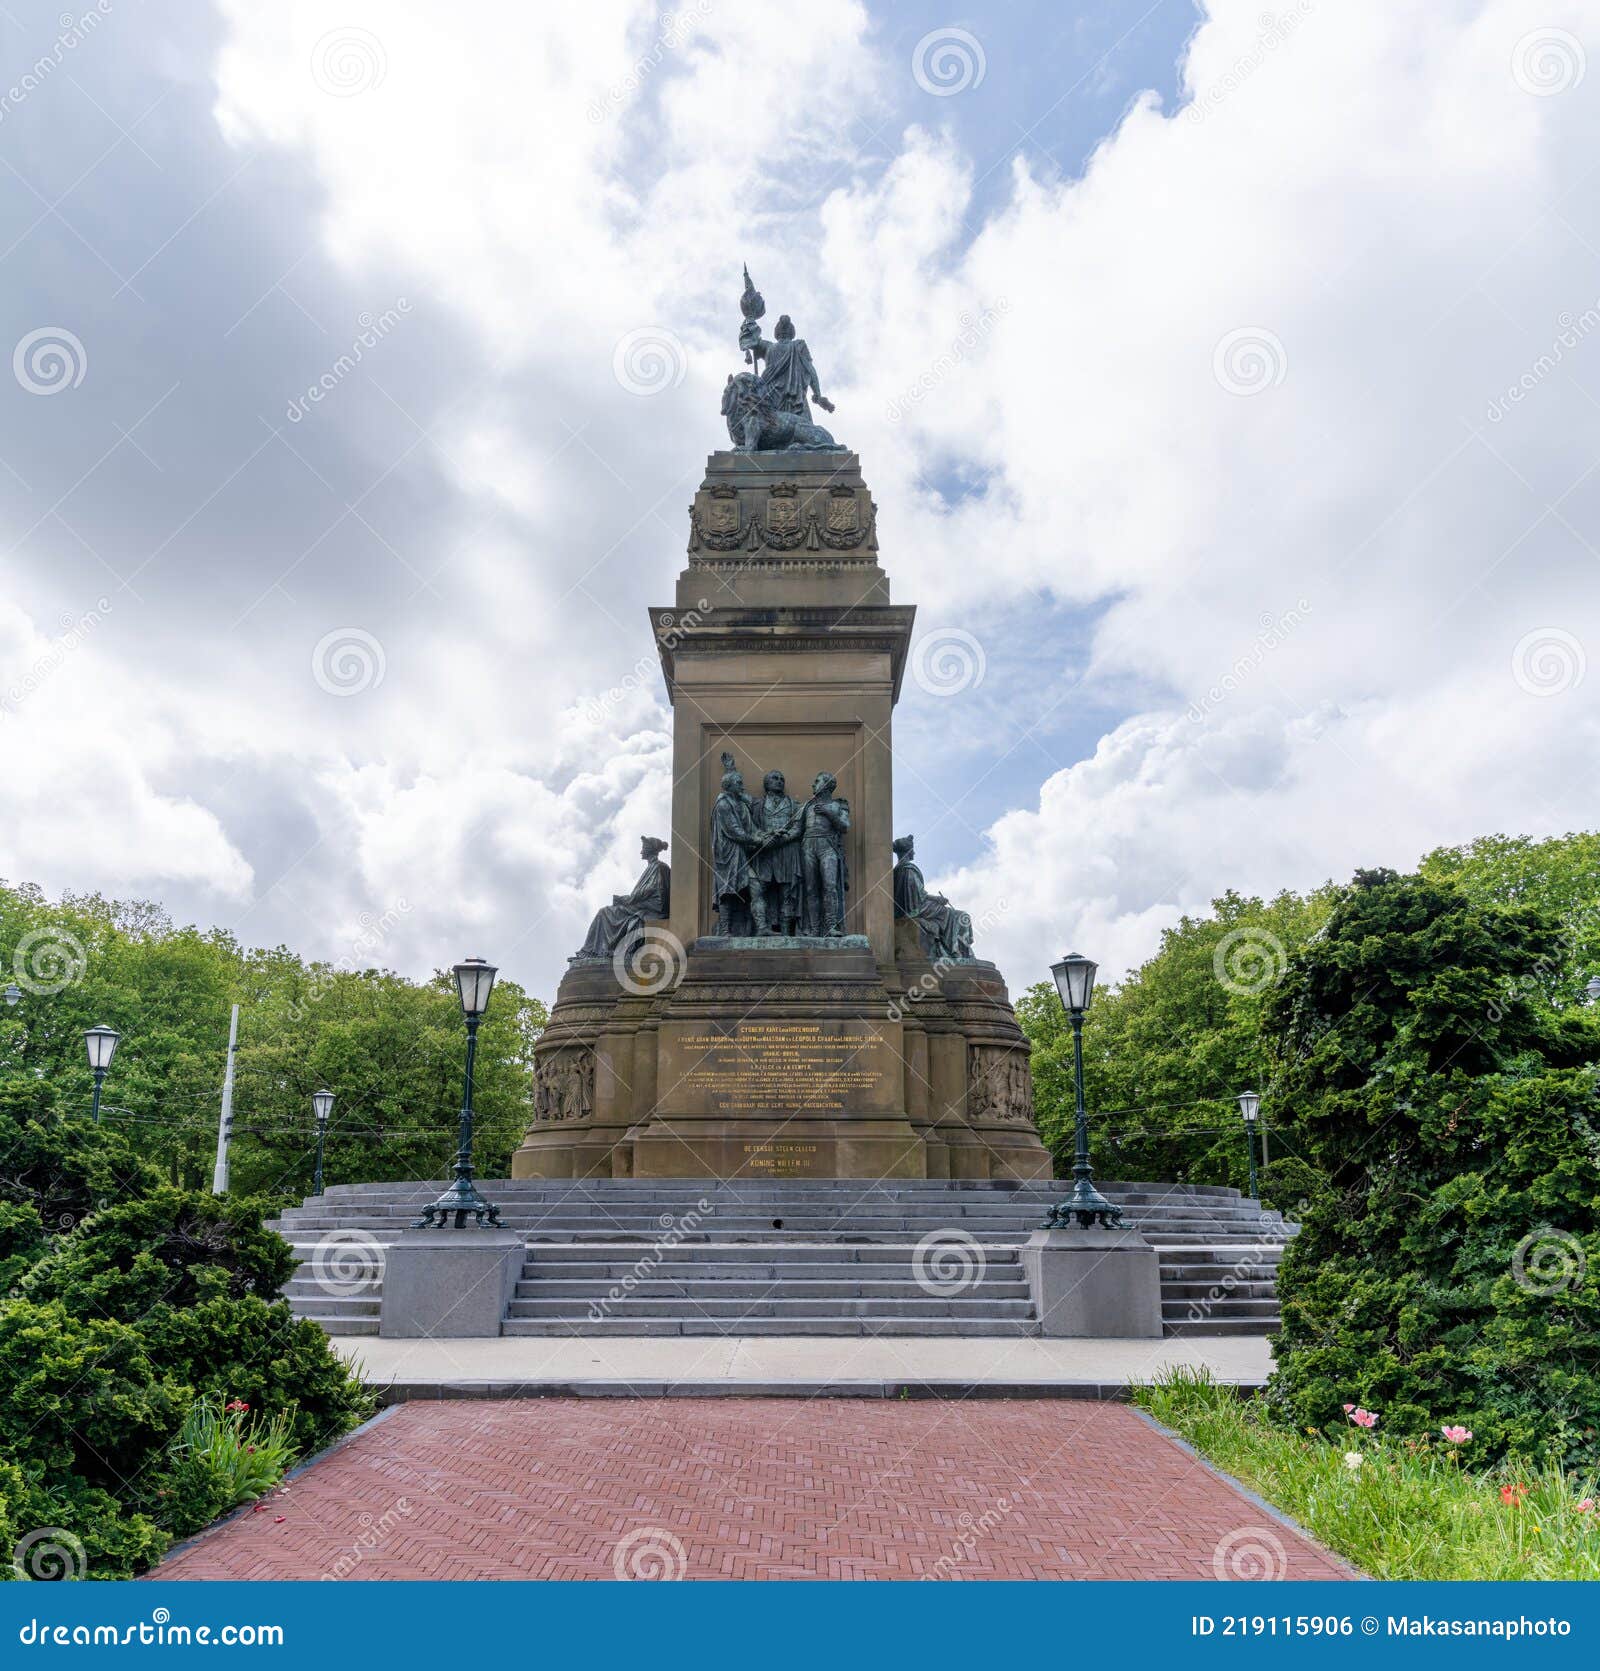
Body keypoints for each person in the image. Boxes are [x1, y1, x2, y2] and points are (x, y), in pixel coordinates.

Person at [573, 836, 670, 960]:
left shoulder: (659, 867)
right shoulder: (654, 867)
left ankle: (595, 952)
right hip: (641, 905)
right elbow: (642, 893)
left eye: (643, 849)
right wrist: (626, 899)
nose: (641, 852)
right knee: (608, 911)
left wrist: (625, 900)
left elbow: (648, 891)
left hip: (651, 908)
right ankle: (594, 951)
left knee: (604, 912)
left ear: (649, 850)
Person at [891, 834, 974, 961]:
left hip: (913, 907)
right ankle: (956, 951)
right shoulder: (908, 870)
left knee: (957, 916)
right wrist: (937, 899)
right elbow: (919, 896)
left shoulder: (899, 869)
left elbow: (916, 894)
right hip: (918, 908)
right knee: (962, 916)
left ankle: (956, 950)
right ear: (908, 851)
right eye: (912, 850)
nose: (914, 852)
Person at [751, 768, 803, 935]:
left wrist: (782, 839)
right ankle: (762, 928)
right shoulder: (757, 805)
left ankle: (787, 934)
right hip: (764, 853)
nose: (779, 780)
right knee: (759, 890)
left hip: (787, 853)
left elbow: (798, 828)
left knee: (786, 893)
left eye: (782, 778)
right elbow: (751, 827)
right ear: (766, 783)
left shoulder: (793, 805)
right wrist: (765, 839)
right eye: (775, 778)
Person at [800, 771, 851, 936]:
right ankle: (814, 929)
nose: (813, 784)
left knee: (830, 886)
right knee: (810, 888)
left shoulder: (839, 805)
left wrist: (828, 813)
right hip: (808, 845)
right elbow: (796, 830)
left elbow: (844, 826)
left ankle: (830, 926)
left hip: (827, 846)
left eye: (817, 781)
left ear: (828, 785)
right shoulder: (806, 806)